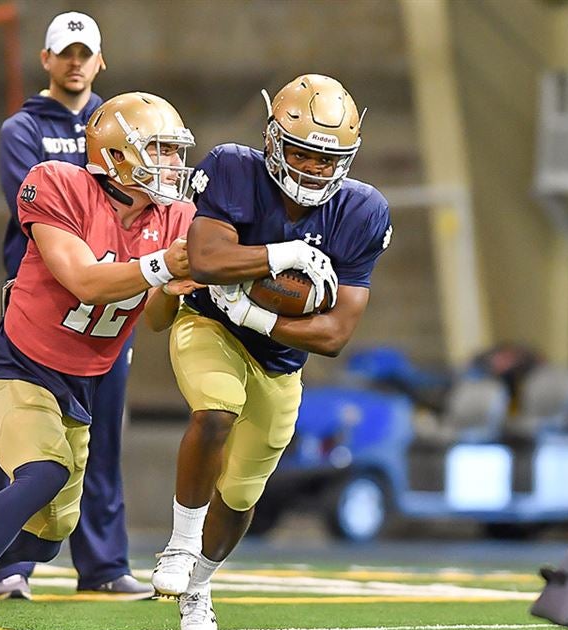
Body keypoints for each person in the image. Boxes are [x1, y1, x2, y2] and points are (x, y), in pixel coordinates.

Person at [0, 92, 197, 630]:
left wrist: (175, 286)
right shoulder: (60, 184)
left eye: (175, 151)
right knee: (43, 472)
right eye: (160, 150)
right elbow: (80, 278)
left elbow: (152, 317)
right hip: (20, 367)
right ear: (115, 157)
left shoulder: (174, 218)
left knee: (49, 533)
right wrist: (161, 265)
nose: (172, 164)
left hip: (85, 381)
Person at [148, 74, 393, 630]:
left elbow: (333, 335)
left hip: (279, 358)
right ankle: (181, 545)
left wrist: (253, 310)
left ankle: (199, 589)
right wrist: (280, 255)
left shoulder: (362, 211)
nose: (315, 169)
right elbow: (208, 262)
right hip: (209, 325)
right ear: (274, 141)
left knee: (240, 495)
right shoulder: (234, 167)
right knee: (215, 410)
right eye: (304, 154)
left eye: (328, 160)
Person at [0, 10, 148, 599]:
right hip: (42, 302)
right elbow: (34, 211)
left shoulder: (128, 124)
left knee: (102, 435)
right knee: (23, 436)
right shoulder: (22, 129)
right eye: (67, 54)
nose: (76, 63)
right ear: (47, 61)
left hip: (108, 307)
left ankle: (104, 567)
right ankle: (9, 566)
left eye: (86, 54)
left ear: (100, 60)